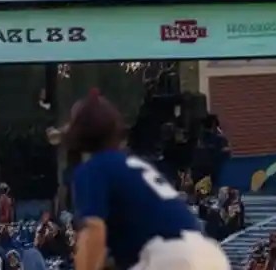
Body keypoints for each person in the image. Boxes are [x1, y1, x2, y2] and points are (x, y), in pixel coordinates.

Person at [65, 89, 231, 270]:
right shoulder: (133, 164)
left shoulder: (94, 168)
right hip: (208, 254)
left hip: (169, 256)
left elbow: (94, 231)